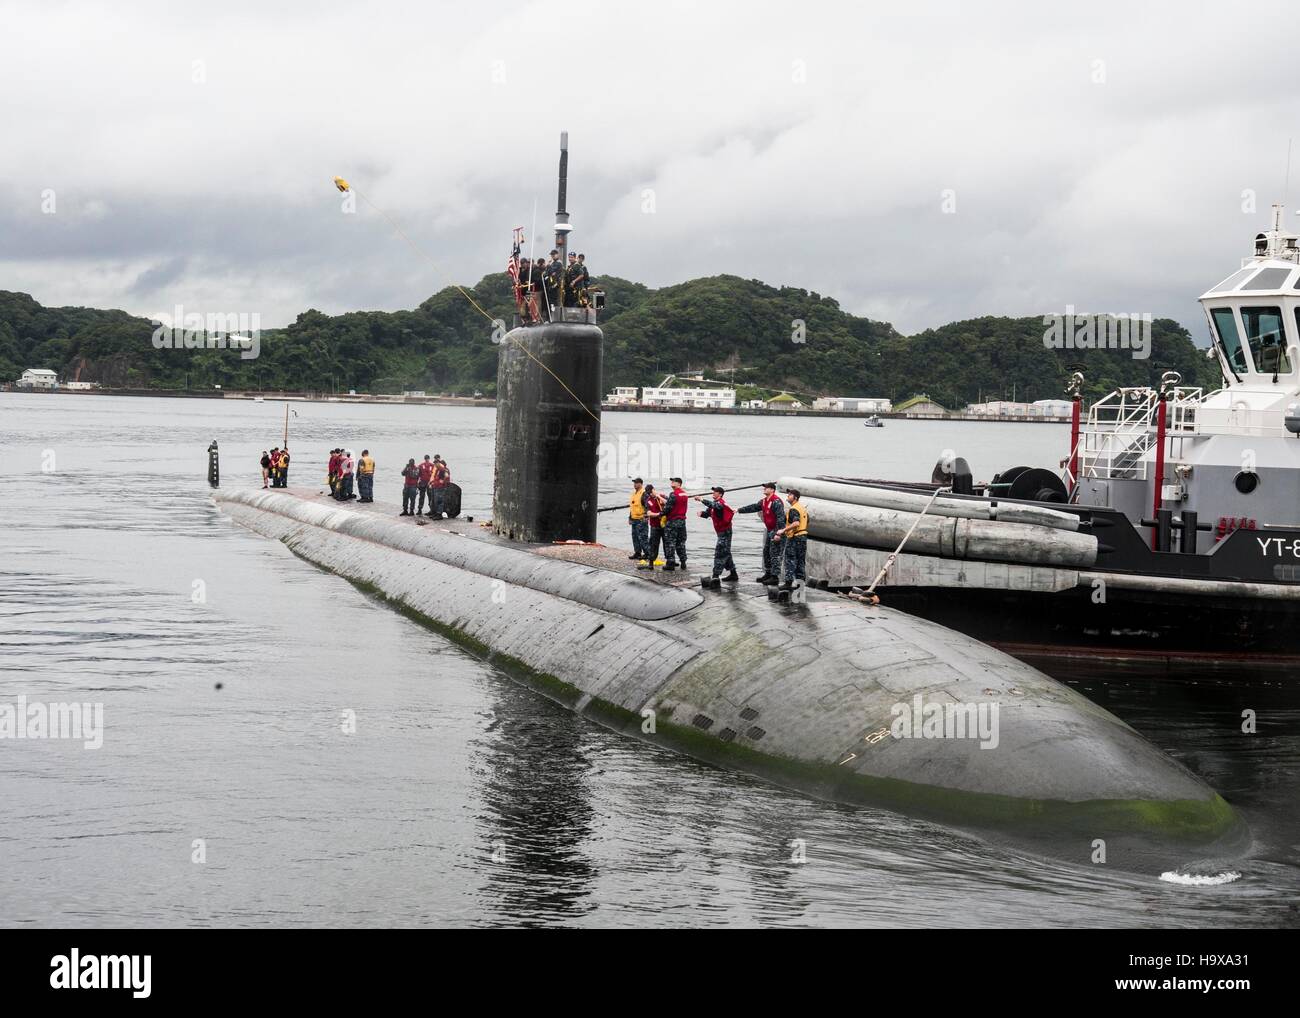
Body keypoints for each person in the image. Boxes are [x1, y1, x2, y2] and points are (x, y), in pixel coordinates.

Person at [737, 481, 786, 584]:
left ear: (772, 490)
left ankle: (774, 577)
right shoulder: (764, 501)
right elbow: (754, 507)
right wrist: (739, 510)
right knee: (766, 552)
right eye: (764, 487)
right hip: (769, 530)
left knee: (774, 553)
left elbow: (781, 518)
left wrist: (778, 534)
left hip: (776, 531)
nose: (764, 489)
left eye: (767, 488)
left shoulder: (776, 501)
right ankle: (768, 573)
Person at [697, 486, 738, 581]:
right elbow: (709, 512)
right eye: (713, 491)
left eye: (715, 492)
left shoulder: (720, 503)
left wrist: (701, 499)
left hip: (725, 532)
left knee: (720, 552)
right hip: (720, 532)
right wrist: (702, 514)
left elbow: (714, 506)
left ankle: (715, 576)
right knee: (726, 552)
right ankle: (733, 574)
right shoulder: (714, 504)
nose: (713, 493)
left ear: (720, 494)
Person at [777, 488, 809, 591]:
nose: (788, 496)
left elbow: (796, 523)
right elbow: (807, 520)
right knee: (800, 560)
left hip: (795, 537)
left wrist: (783, 530)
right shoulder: (802, 508)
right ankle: (801, 583)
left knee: (790, 559)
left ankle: (788, 583)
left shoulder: (794, 509)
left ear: (795, 497)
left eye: (790, 495)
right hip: (803, 536)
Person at [661, 477, 689, 572]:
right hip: (682, 521)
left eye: (674, 481)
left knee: (670, 542)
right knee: (681, 542)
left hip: (672, 521)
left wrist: (659, 514)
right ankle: (683, 562)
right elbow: (676, 502)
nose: (672, 482)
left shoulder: (673, 494)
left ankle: (670, 563)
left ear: (679, 484)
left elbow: (668, 508)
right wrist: (665, 497)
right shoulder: (684, 493)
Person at [636, 484, 664, 570]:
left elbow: (669, 503)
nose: (650, 494)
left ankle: (671, 561)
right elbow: (648, 513)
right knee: (653, 544)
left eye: (651, 492)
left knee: (667, 543)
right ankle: (651, 562)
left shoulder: (662, 496)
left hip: (665, 525)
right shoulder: (648, 500)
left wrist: (659, 496)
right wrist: (658, 514)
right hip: (654, 526)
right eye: (649, 493)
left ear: (654, 490)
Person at [627, 477, 648, 561]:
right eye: (634, 483)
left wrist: (646, 517)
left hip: (641, 519)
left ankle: (647, 553)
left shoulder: (644, 493)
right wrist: (630, 517)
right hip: (634, 519)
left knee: (643, 537)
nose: (634, 484)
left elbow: (647, 506)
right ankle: (637, 552)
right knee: (635, 537)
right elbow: (632, 507)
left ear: (640, 484)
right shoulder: (634, 494)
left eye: (636, 483)